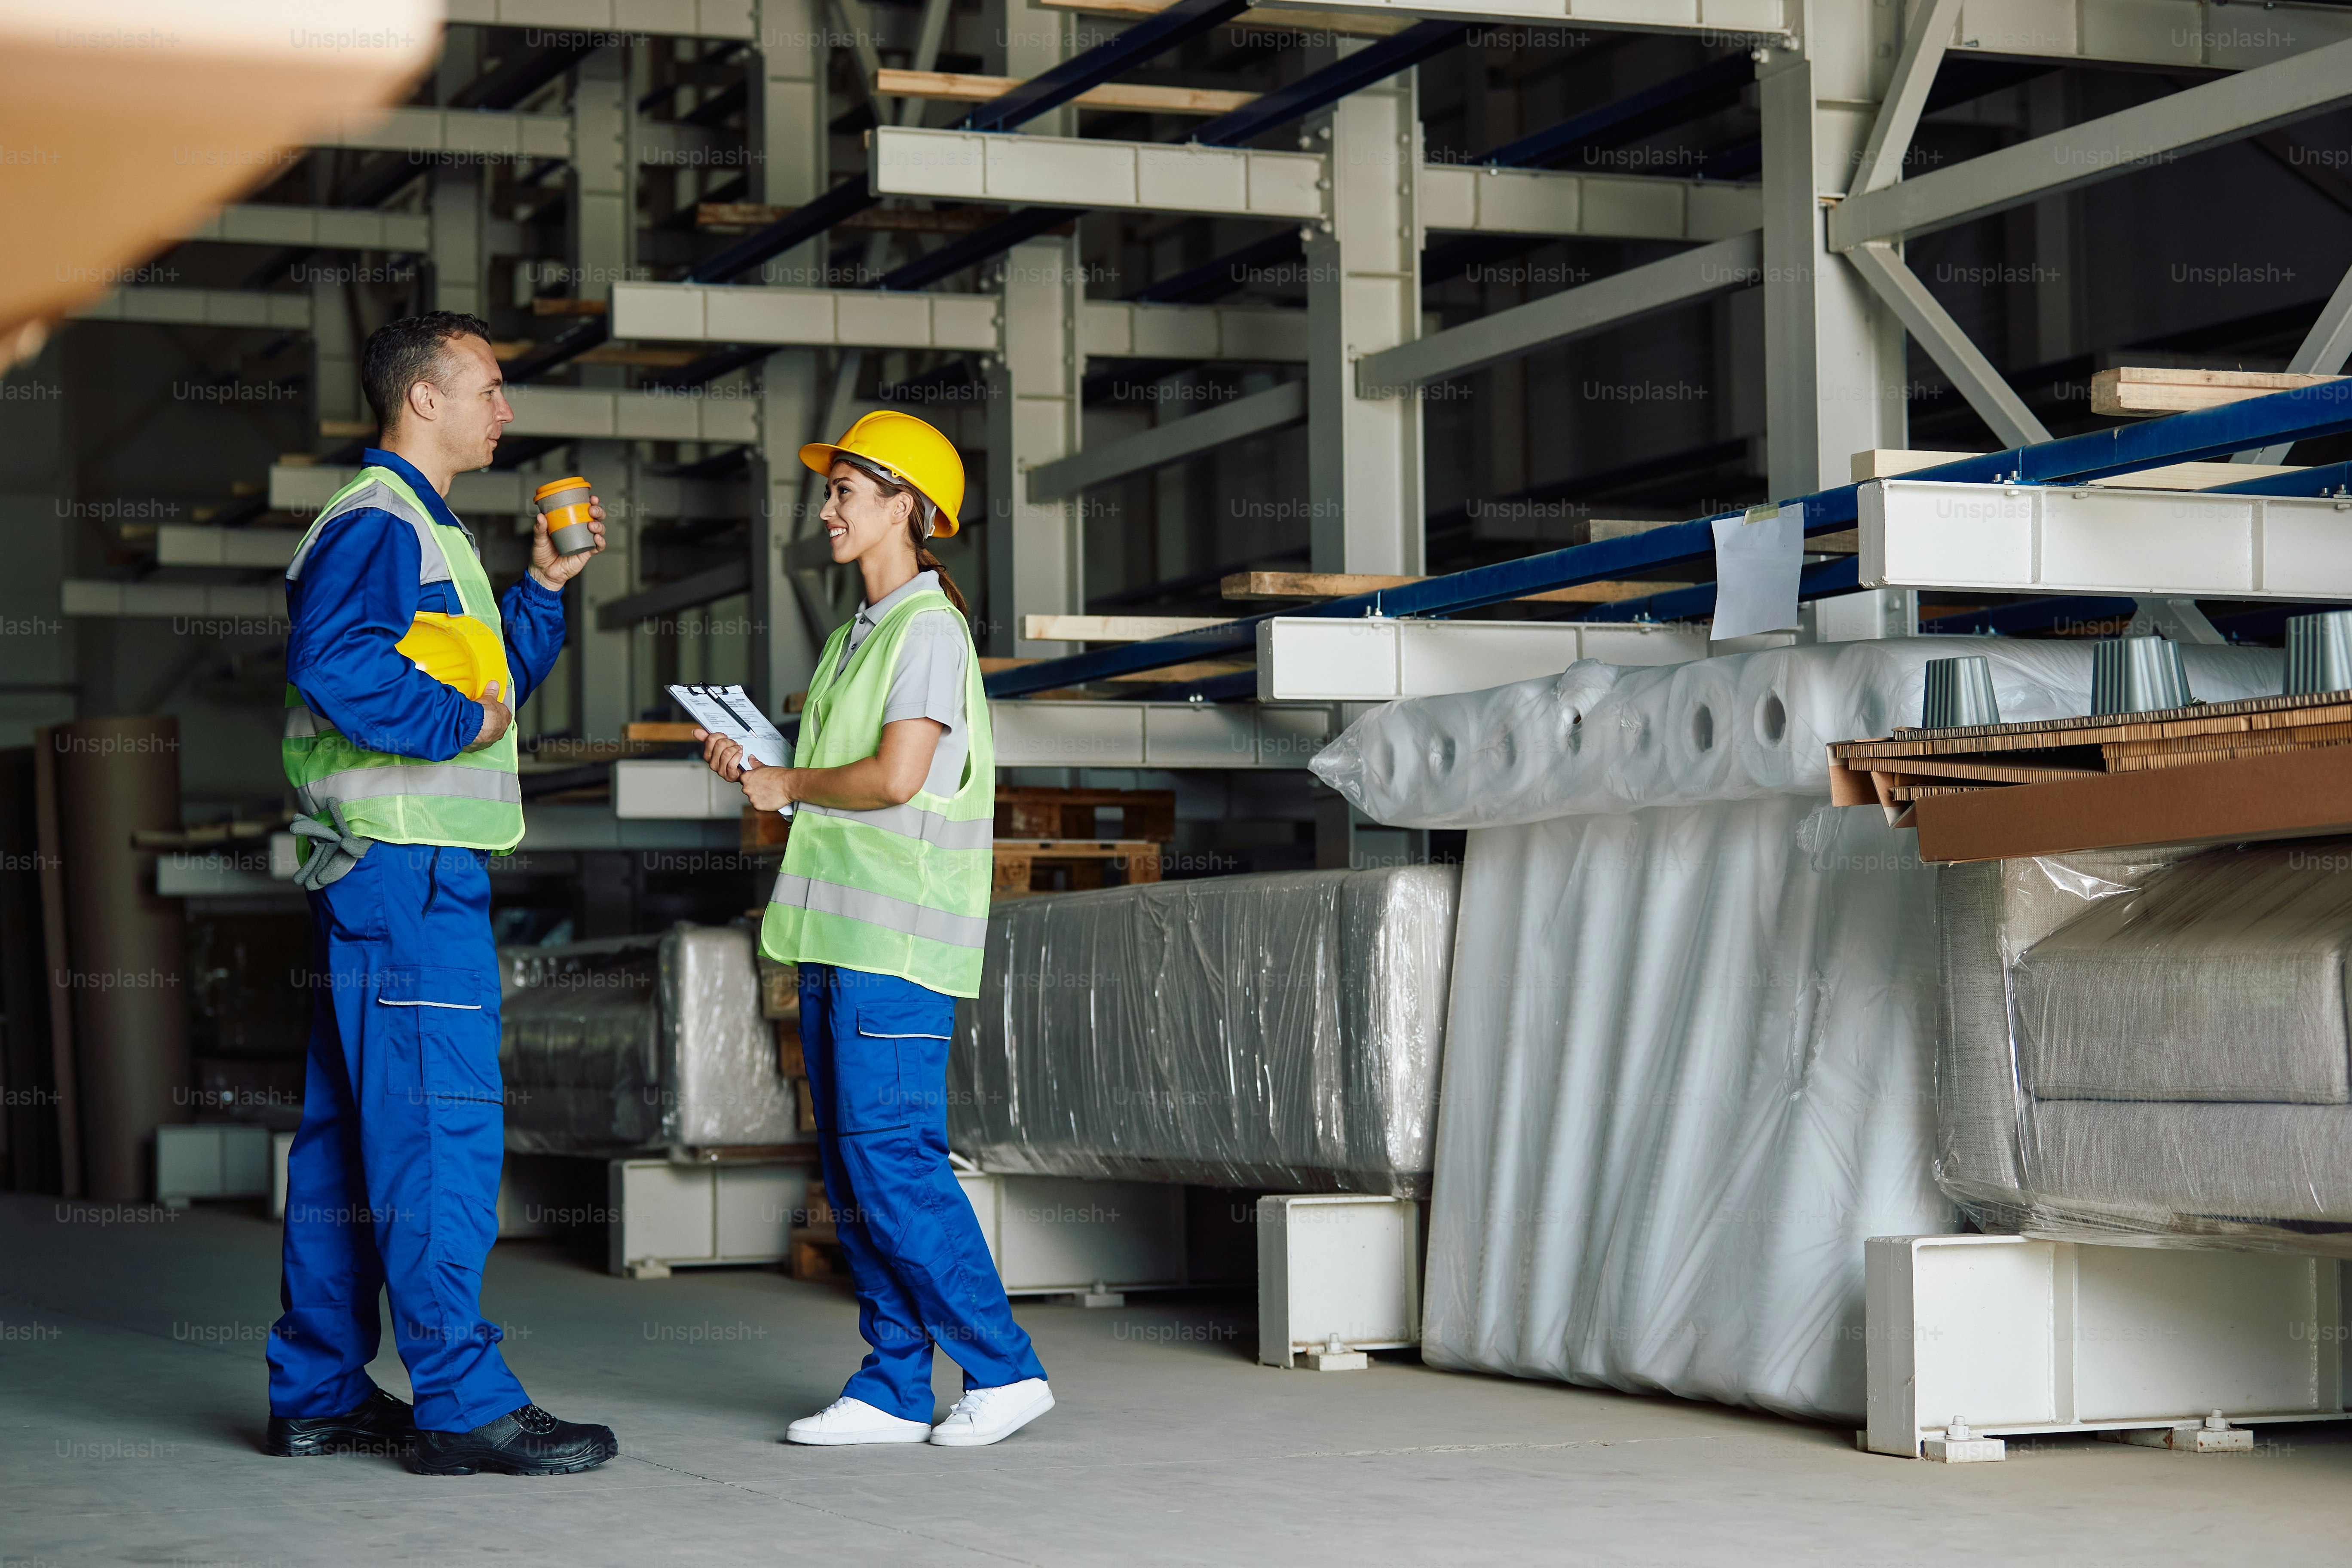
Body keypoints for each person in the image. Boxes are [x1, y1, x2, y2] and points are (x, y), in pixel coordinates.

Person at [265, 311, 619, 1477]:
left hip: (372, 876)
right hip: (408, 877)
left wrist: (545, 588)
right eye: (489, 390)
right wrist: (456, 721)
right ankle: (461, 1402)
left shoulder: (426, 532)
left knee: (344, 1149)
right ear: (422, 399)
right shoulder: (381, 521)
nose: (503, 411)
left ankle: (318, 1392)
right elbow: (338, 660)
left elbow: (493, 680)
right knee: (437, 1136)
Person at [696, 410, 1052, 1449]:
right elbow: (844, 786)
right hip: (839, 944)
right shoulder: (864, 633)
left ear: (907, 506)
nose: (829, 507)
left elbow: (897, 778)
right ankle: (895, 1384)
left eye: (848, 489)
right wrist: (766, 765)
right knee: (856, 1177)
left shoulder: (928, 630)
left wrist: (787, 778)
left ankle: (1005, 1368)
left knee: (894, 1163)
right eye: (832, 489)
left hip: (895, 949)